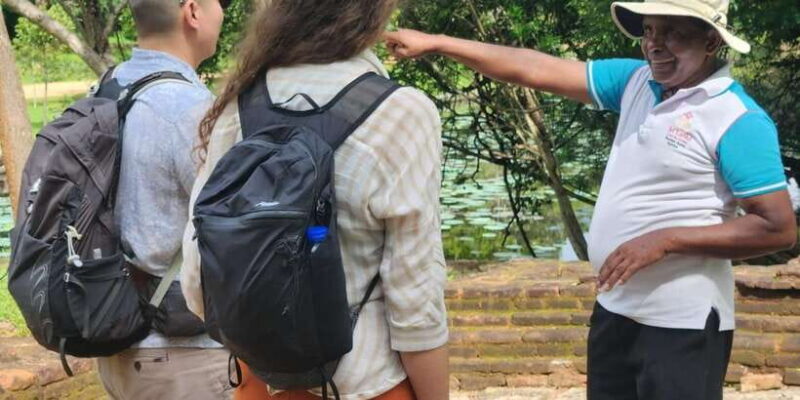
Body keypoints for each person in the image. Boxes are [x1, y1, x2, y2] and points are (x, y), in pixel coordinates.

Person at [384, 0, 797, 399]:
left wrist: (665, 240)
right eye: (650, 30)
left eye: (674, 33)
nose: (655, 44)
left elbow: (777, 228)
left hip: (682, 324)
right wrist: (439, 43)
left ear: (711, 42)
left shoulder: (736, 117)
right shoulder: (637, 82)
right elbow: (533, 67)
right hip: (615, 311)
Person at [180, 1, 450, 399]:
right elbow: (416, 304)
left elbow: (197, 274)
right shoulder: (402, 112)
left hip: (258, 384)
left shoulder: (240, 103)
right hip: (367, 386)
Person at [95, 0, 231, 399]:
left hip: (121, 340)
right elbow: (234, 227)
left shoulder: (110, 84)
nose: (221, 11)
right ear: (192, 12)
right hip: (184, 359)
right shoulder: (189, 108)